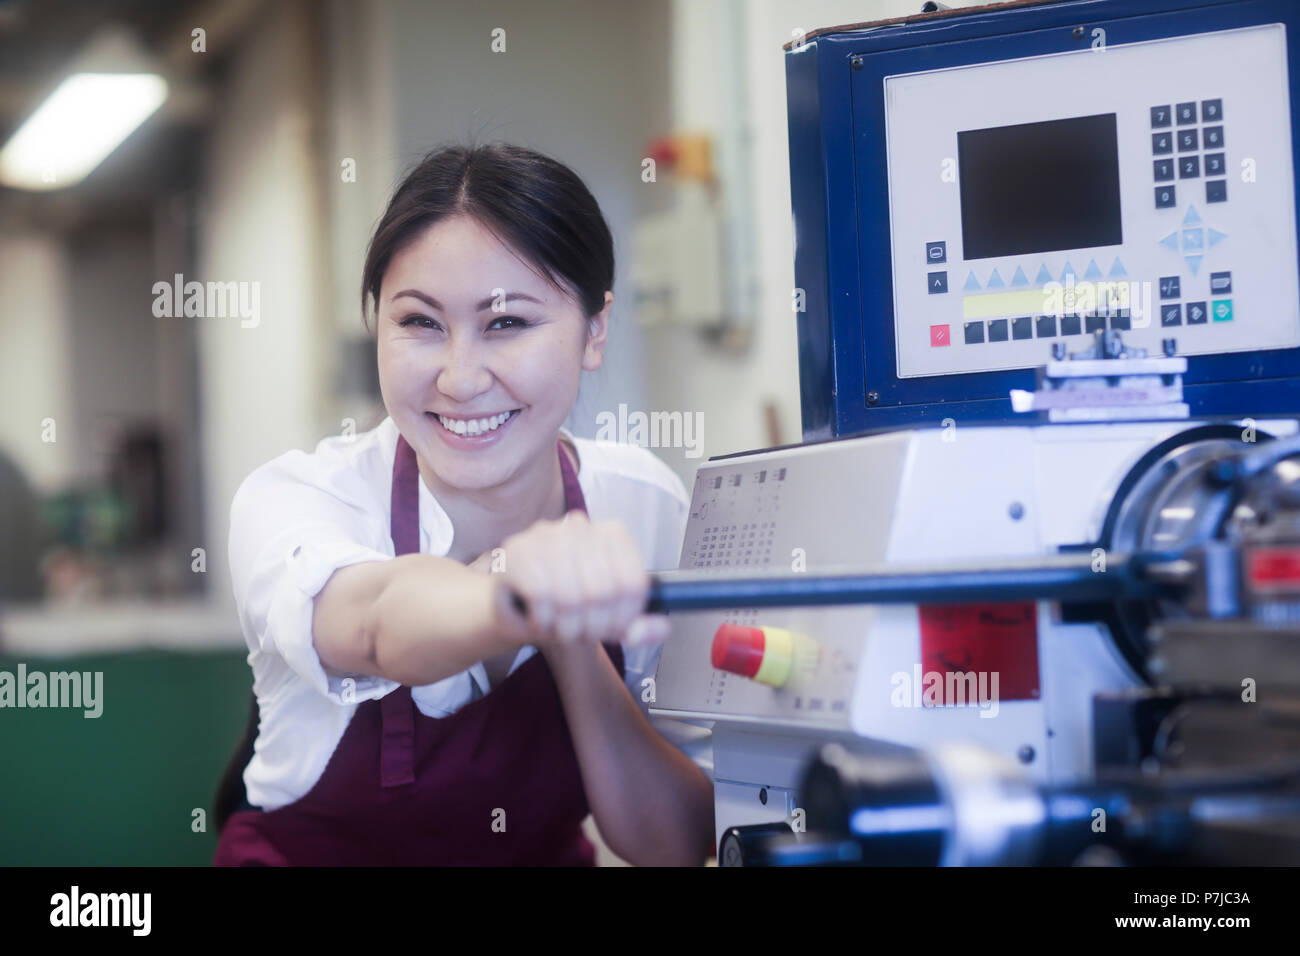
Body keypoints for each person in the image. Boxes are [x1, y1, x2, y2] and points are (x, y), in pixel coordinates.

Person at [213, 143, 715, 866]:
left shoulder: (643, 506)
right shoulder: (299, 499)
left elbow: (672, 845)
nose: (459, 377)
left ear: (595, 332)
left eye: (506, 323)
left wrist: (573, 643)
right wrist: (518, 584)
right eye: (419, 323)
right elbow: (379, 622)